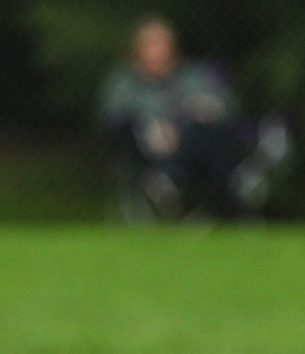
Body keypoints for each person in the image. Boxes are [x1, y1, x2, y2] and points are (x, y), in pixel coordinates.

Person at [99, 16, 276, 222]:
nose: (157, 50)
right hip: (150, 151)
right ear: (137, 50)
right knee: (213, 154)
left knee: (206, 132)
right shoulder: (124, 82)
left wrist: (206, 109)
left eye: (162, 44)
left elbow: (227, 108)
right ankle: (236, 206)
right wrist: (152, 129)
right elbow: (114, 117)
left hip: (197, 147)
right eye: (151, 44)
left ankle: (172, 177)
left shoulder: (194, 76)